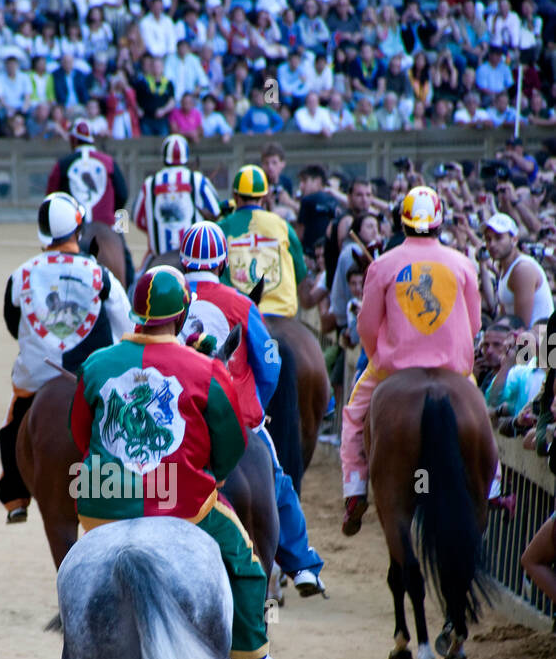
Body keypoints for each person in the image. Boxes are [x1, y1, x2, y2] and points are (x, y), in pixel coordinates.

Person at [70, 264, 283, 659]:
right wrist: (209, 478)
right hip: (182, 504)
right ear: (183, 316)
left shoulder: (95, 365)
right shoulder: (205, 369)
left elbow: (80, 433)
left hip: (102, 504)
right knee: (247, 563)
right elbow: (234, 441)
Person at [179, 221, 326, 596]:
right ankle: (302, 563)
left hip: (176, 419)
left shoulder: (168, 295)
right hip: (235, 417)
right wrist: (253, 407)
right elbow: (271, 363)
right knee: (278, 481)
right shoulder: (241, 303)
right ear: (223, 261)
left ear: (183, 260)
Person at [340, 186, 489, 535]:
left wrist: (379, 356)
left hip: (394, 368)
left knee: (354, 417)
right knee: (479, 418)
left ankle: (355, 492)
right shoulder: (462, 263)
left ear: (402, 223)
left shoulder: (383, 265)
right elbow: (476, 323)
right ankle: (492, 488)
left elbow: (366, 323)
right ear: (439, 223)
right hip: (454, 369)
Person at [0, 192, 132, 524]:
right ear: (78, 230)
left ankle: (16, 497)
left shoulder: (20, 276)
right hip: (92, 378)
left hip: (38, 377)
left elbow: (15, 327)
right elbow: (126, 326)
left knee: (13, 424)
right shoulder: (101, 275)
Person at [219, 165, 308, 318]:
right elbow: (300, 272)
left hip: (240, 314)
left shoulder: (221, 228)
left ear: (235, 195)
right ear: (265, 196)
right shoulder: (282, 225)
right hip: (282, 312)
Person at [132, 133, 221, 258]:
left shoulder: (149, 183)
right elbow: (217, 212)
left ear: (164, 156)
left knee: (136, 276)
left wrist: (155, 230)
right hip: (194, 256)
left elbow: (138, 219)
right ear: (186, 156)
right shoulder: (198, 179)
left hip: (158, 256)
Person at [45, 118, 128, 230]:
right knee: (121, 242)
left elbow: (51, 199)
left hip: (74, 225)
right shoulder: (109, 162)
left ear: (73, 141)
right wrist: (112, 216)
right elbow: (122, 195)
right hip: (106, 223)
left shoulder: (62, 165)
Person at [479, 212, 555, 327]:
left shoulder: (522, 269)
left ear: (514, 240)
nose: (492, 244)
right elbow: (504, 315)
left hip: (541, 341)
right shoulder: (506, 268)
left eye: (498, 238)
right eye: (488, 239)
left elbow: (521, 325)